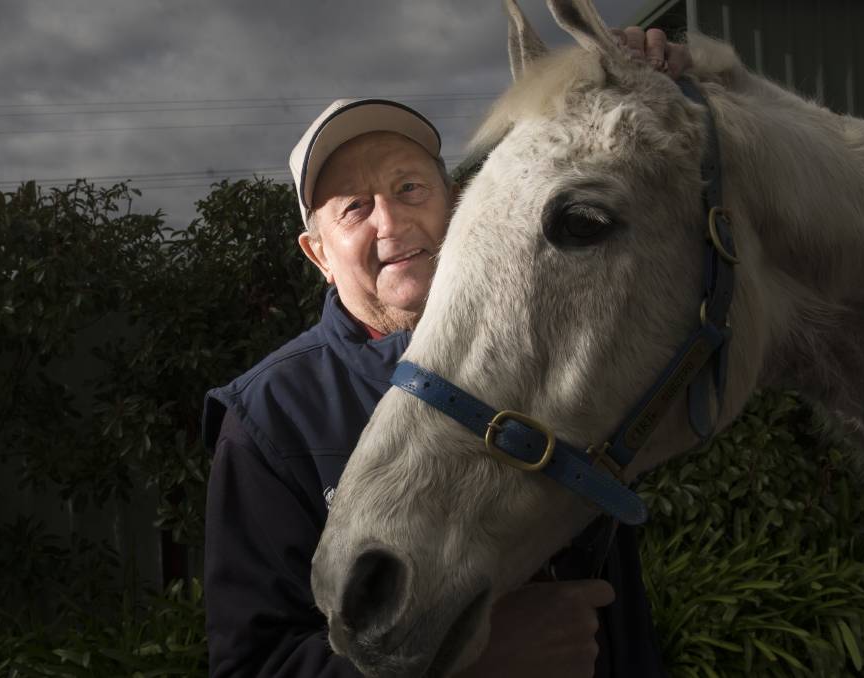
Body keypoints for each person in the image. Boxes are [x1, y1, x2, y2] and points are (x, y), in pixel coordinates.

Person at [202, 28, 690, 678]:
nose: (391, 222)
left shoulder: (543, 332)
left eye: (410, 188)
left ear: (459, 205)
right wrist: (480, 660)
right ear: (318, 254)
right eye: (354, 208)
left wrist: (656, 86)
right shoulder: (269, 416)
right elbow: (252, 666)